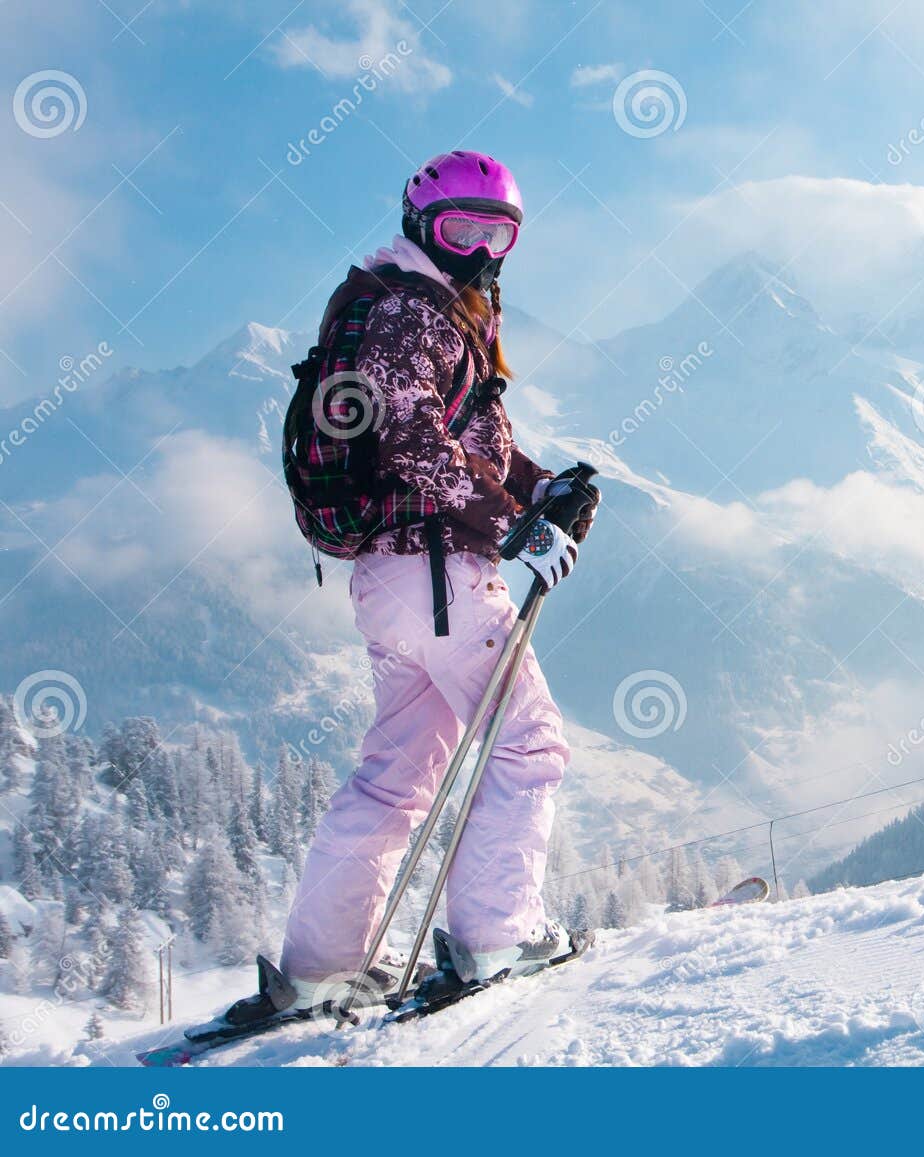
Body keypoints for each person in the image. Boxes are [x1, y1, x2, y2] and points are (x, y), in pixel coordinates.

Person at [229, 150, 597, 1025]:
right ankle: (498, 937)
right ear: (420, 224)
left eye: (494, 233)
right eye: (458, 230)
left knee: (397, 775)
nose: (477, 250)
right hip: (439, 576)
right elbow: (413, 442)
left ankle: (322, 966)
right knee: (530, 742)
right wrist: (516, 526)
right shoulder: (410, 312)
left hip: (398, 580)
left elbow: (477, 445)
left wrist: (541, 489)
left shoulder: (428, 308)